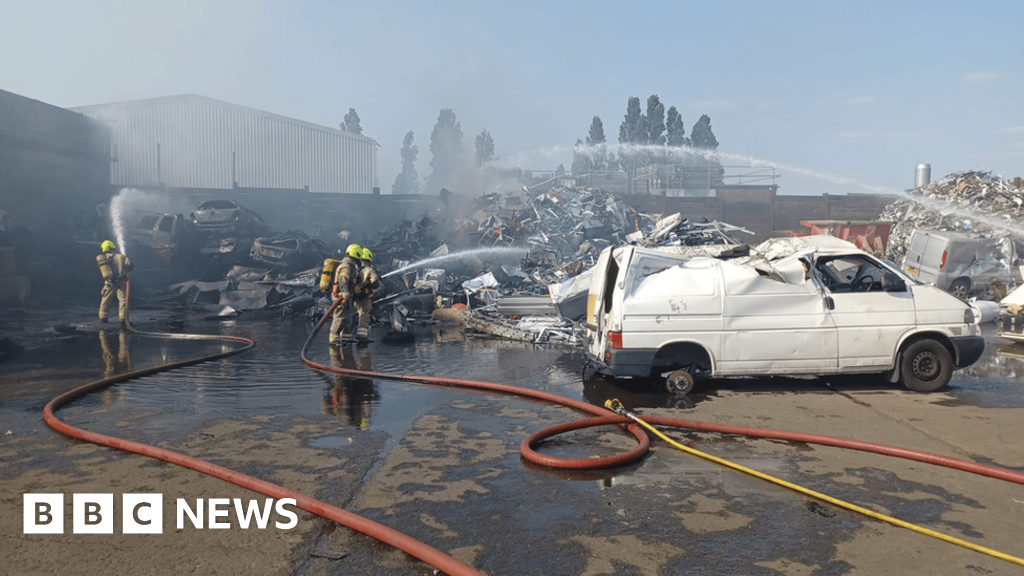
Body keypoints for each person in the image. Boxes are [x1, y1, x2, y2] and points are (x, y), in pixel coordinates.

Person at [329, 243, 363, 346]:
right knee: (339, 318)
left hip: (347, 296)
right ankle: (333, 340)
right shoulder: (346, 266)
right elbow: (343, 280)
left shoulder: (350, 266)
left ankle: (346, 338)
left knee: (348, 318)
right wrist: (345, 293)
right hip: (340, 296)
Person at [96, 240, 133, 325]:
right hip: (121, 281)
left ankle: (103, 317)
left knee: (106, 299)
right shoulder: (121, 256)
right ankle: (122, 318)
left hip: (110, 282)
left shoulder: (104, 258)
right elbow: (131, 265)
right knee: (123, 300)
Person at [352, 247, 380, 341]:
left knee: (348, 316)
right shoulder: (369, 269)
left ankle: (344, 337)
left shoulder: (353, 268)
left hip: (352, 297)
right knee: (364, 315)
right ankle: (362, 336)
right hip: (363, 297)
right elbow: (375, 284)